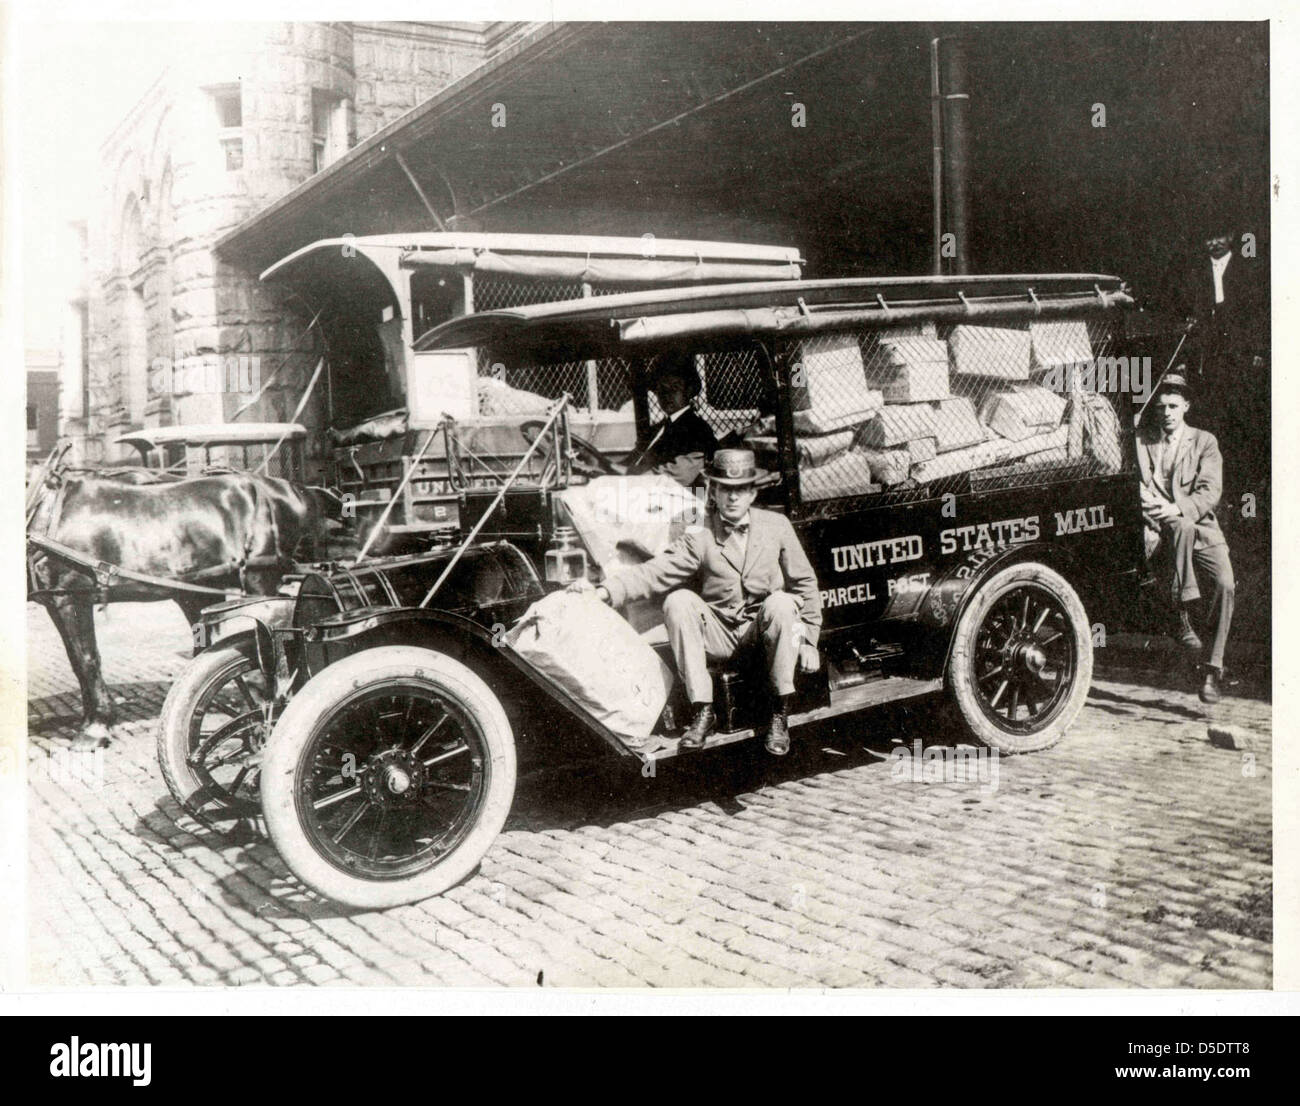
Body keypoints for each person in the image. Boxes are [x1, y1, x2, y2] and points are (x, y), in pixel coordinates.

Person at [571, 448, 822, 754]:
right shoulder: (699, 532)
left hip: (761, 634)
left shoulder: (776, 525)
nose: (732, 498)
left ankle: (779, 713)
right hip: (719, 636)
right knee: (679, 600)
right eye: (724, 490)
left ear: (753, 493)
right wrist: (606, 591)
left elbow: (805, 583)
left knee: (782, 603)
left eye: (740, 490)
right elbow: (657, 571)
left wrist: (808, 639)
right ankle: (703, 710)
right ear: (712, 492)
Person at [1138, 372, 1235, 703]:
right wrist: (1156, 509)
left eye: (1173, 406)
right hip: (1154, 524)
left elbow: (1210, 491)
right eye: (1161, 406)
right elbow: (1134, 482)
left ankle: (1212, 670)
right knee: (1178, 529)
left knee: (1225, 584)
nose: (1166, 412)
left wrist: (1177, 508)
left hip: (1201, 525)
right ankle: (1181, 613)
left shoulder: (1205, 441)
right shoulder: (1143, 441)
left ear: (1186, 407)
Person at [625, 351, 719, 486]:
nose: (666, 395)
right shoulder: (658, 429)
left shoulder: (697, 430)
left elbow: (669, 478)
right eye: (661, 389)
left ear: (688, 391)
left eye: (674, 388)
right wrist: (601, 464)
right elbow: (631, 463)